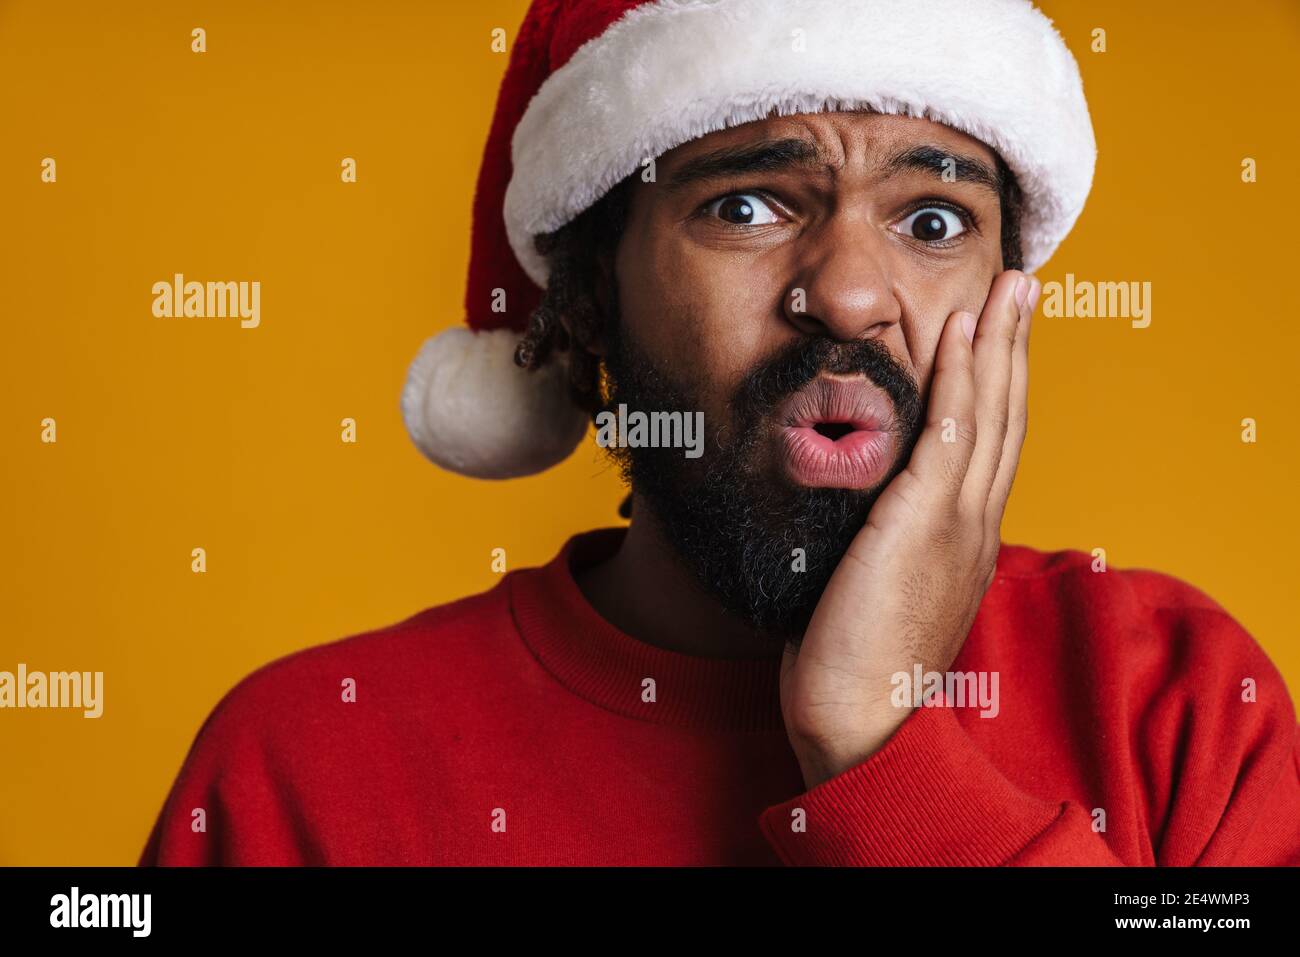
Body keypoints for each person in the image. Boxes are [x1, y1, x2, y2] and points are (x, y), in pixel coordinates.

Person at [140, 0, 1299, 866]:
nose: (848, 296)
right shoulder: (306, 765)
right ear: (590, 294)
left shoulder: (1178, 711)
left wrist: (885, 751)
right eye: (745, 206)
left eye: (933, 219)